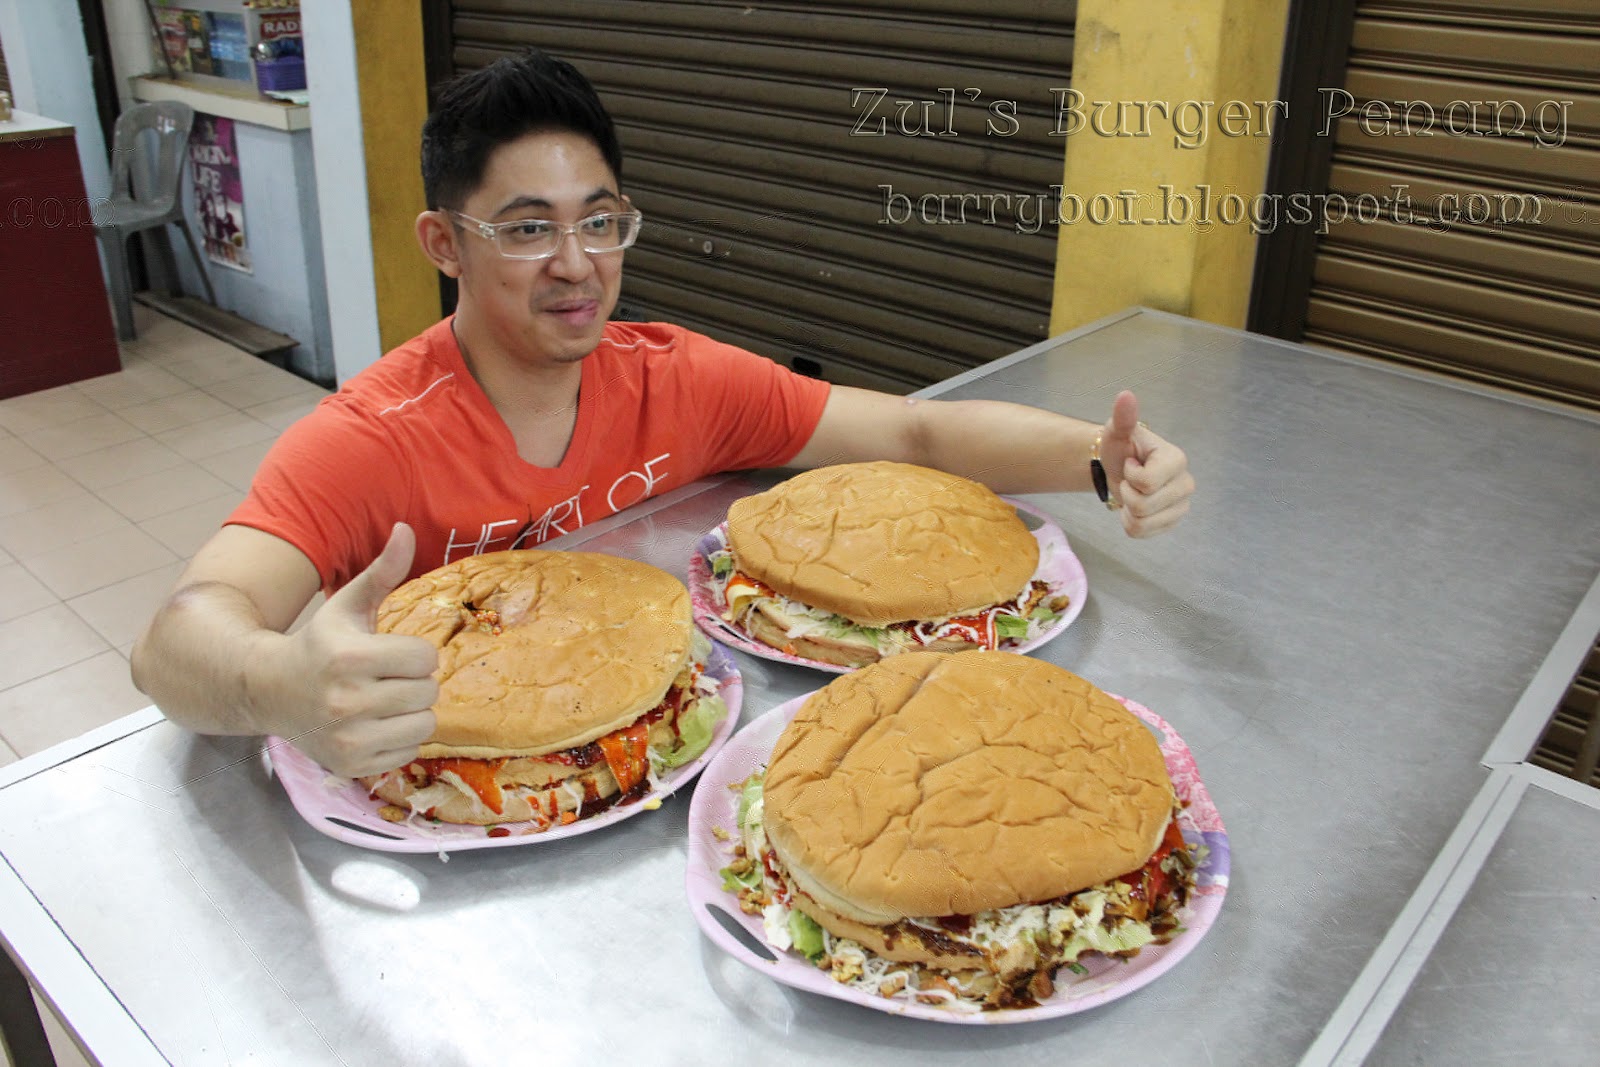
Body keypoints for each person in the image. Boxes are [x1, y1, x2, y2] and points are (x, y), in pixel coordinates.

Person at [130, 50, 1195, 780]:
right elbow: (181, 634)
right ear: (443, 244)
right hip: (458, 793)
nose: (576, 264)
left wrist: (1097, 462)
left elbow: (912, 433)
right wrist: (281, 683)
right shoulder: (372, 435)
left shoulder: (676, 378)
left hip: (671, 765)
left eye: (601, 221)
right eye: (525, 228)